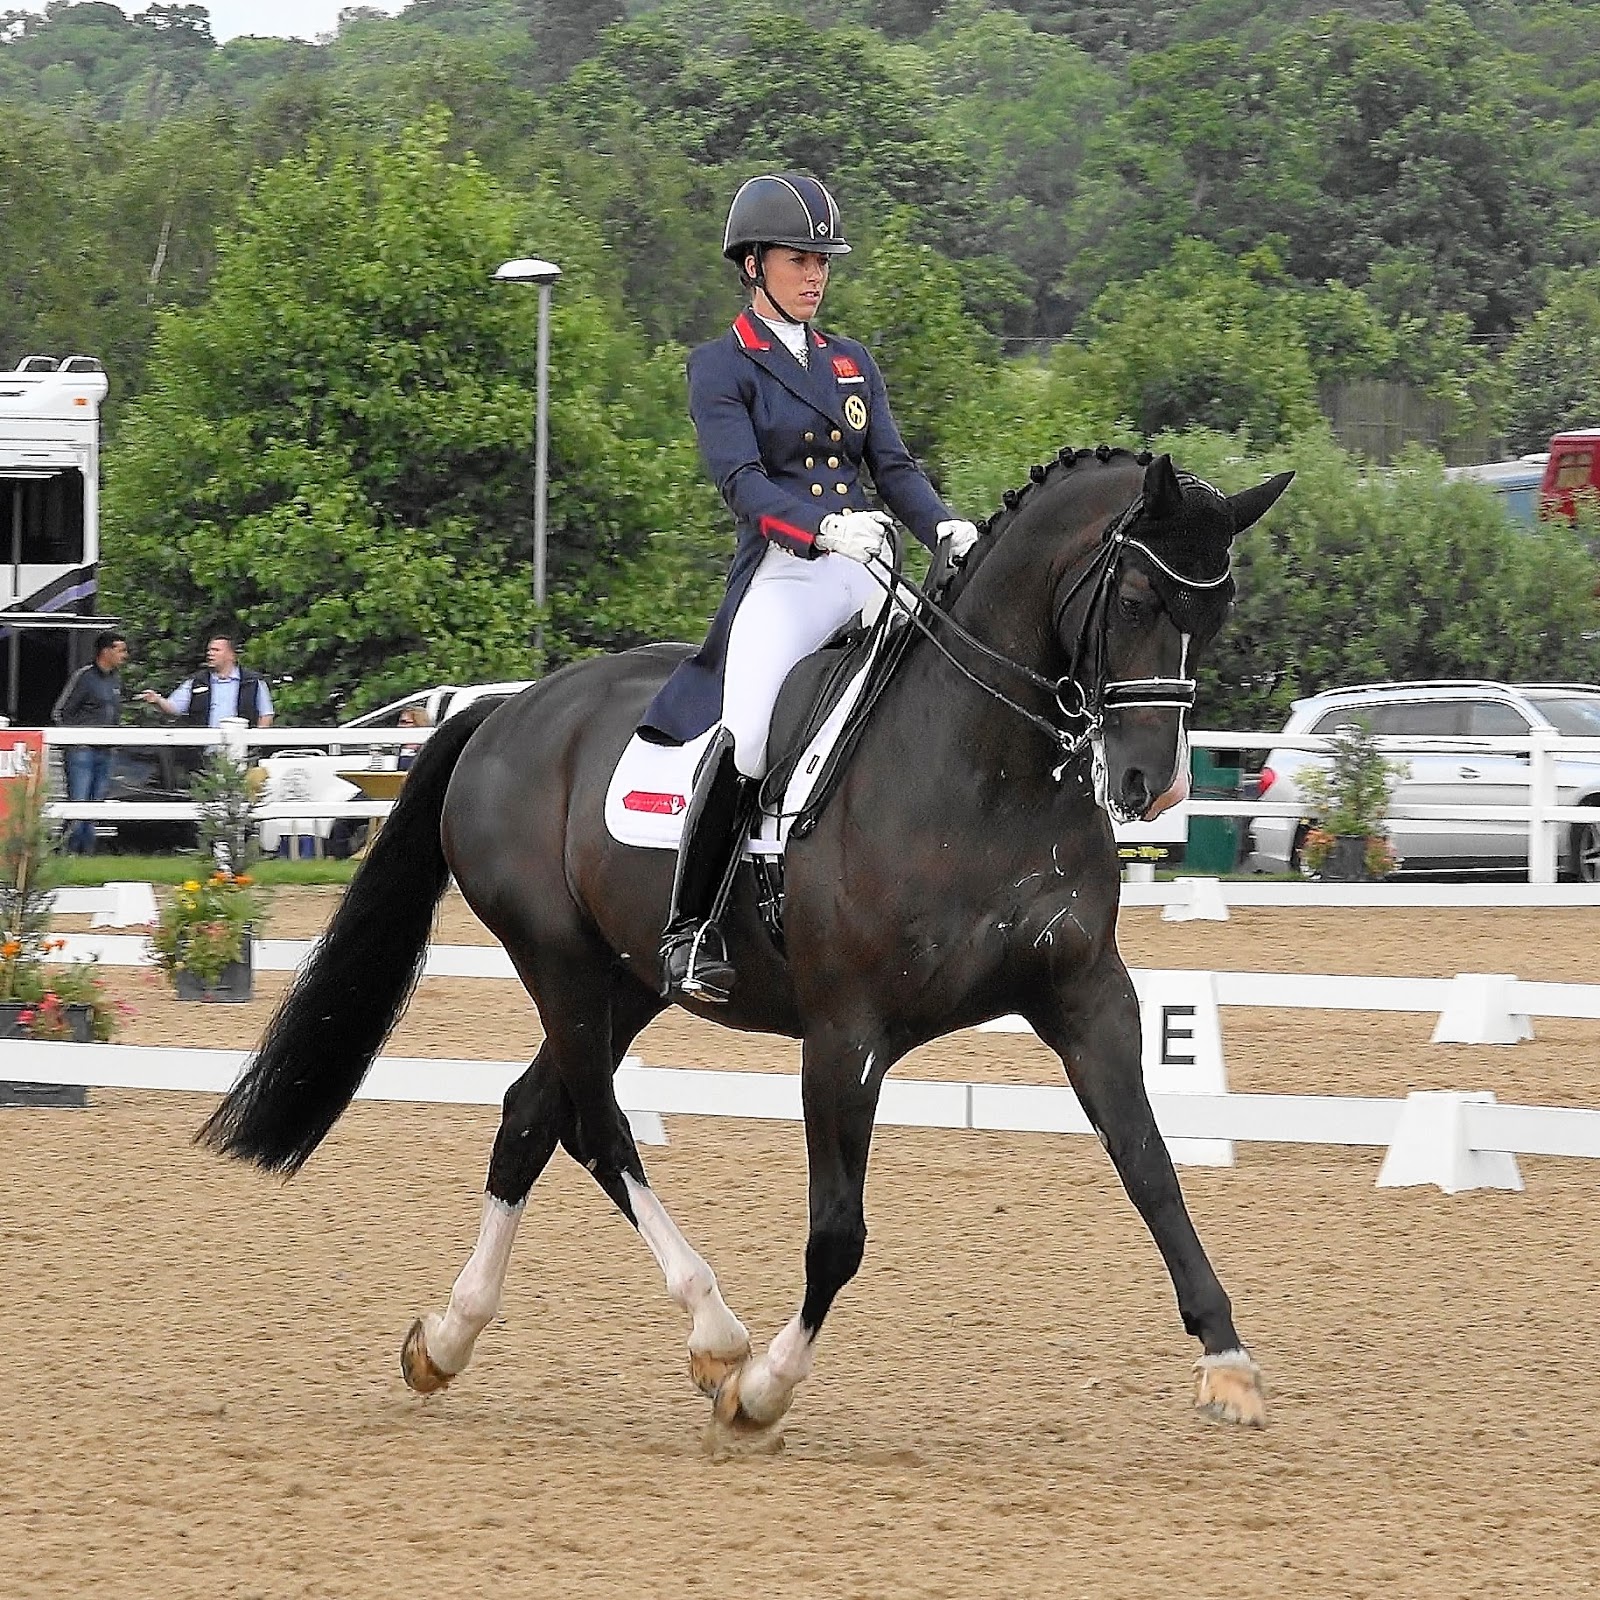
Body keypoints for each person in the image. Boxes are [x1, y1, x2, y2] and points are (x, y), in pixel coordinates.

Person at [639, 173, 981, 1003]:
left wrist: (944, 527)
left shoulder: (851, 362)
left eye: (823, 261)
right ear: (753, 264)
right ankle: (691, 930)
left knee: (950, 691)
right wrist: (822, 528)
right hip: (788, 572)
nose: (816, 274)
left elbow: (892, 467)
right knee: (752, 736)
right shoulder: (721, 365)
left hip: (868, 567)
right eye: (800, 259)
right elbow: (743, 485)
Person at [50, 630, 129, 855]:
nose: (125, 655)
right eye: (121, 650)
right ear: (106, 651)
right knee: (79, 801)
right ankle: (70, 851)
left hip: (106, 750)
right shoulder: (84, 677)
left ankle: (85, 853)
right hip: (82, 751)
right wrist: (74, 741)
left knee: (95, 804)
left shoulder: (115, 679)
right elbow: (60, 711)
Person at [140, 635, 275, 729]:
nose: (210, 653)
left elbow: (266, 715)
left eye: (216, 650)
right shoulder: (197, 681)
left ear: (231, 655)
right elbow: (174, 708)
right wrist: (157, 700)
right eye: (209, 650)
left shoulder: (253, 681)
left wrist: (255, 743)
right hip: (203, 752)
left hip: (242, 750)